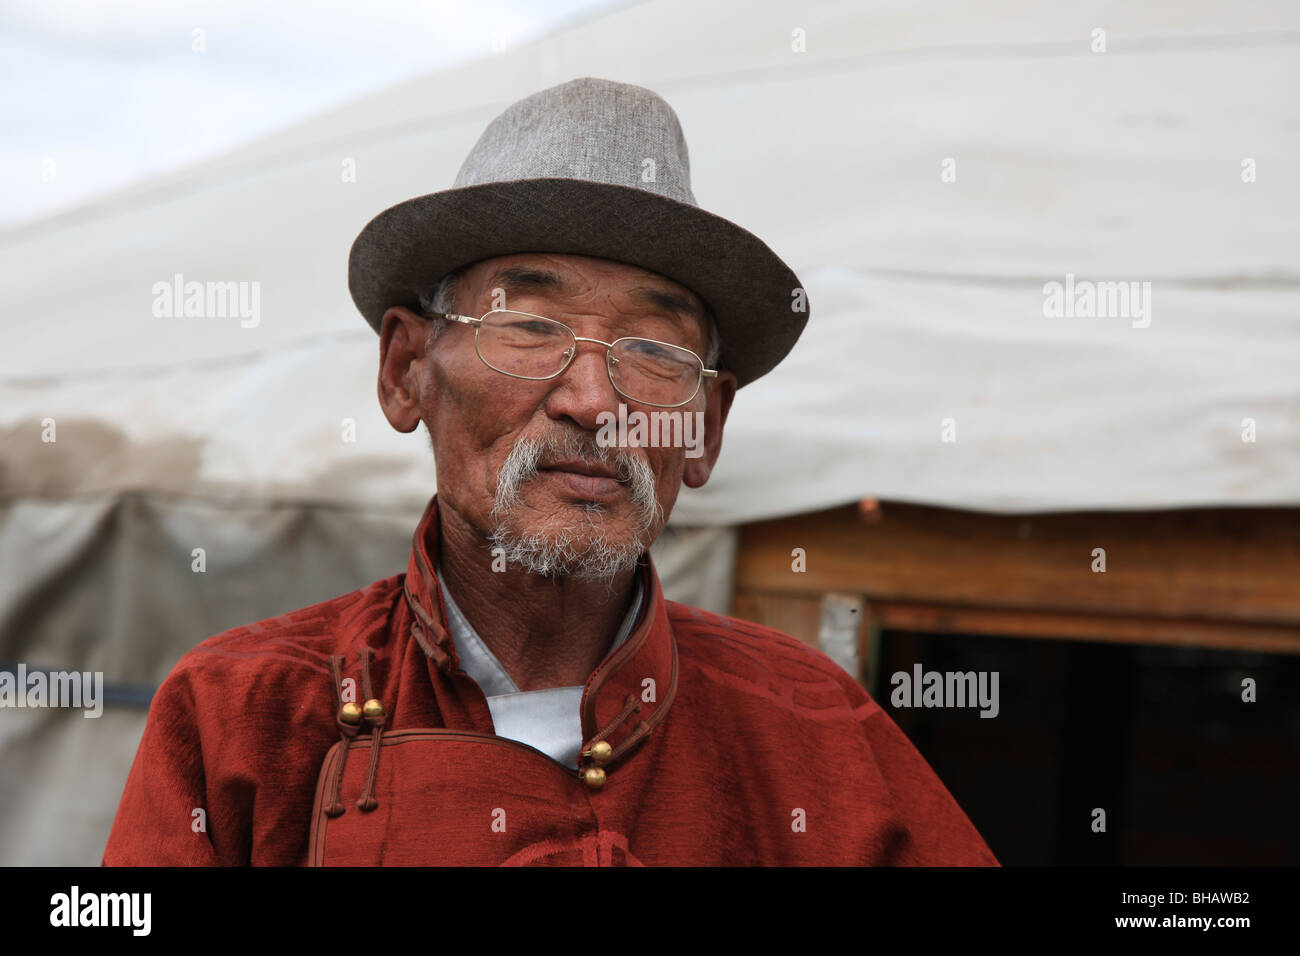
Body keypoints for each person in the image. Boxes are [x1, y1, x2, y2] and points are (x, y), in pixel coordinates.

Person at [103, 77, 998, 866]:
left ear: (705, 429)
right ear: (405, 370)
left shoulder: (815, 732)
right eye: (530, 326)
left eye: (652, 350)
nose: (594, 400)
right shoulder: (241, 714)